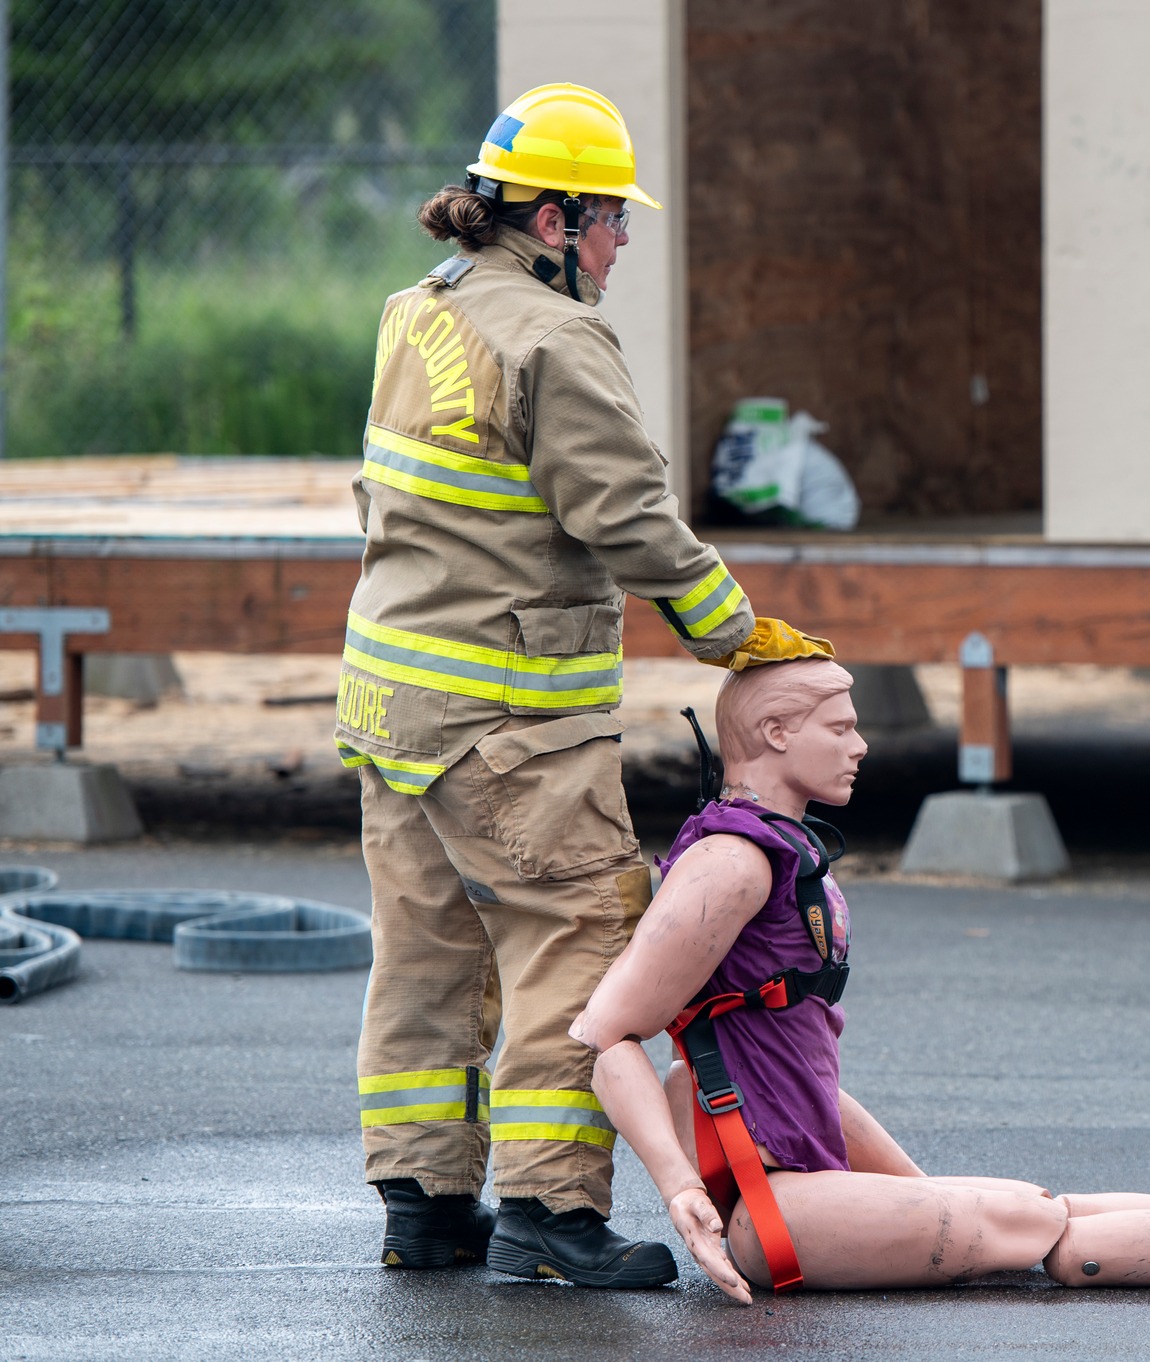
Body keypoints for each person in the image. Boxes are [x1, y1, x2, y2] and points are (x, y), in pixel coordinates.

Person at [342, 81, 820, 1287]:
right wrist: (737, 638)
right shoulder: (555, 339)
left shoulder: (420, 310)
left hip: (392, 703)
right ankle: (549, 1219)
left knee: (427, 948)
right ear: (553, 221)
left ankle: (425, 1205)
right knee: (585, 934)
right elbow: (630, 521)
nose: (620, 244)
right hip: (509, 717)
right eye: (610, 219)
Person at [569, 658, 1150, 1302]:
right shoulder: (730, 863)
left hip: (787, 1136)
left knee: (1036, 1201)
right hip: (773, 1202)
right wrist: (681, 1192)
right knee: (1045, 1235)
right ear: (779, 734)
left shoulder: (770, 846)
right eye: (841, 727)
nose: (862, 744)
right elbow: (608, 1032)